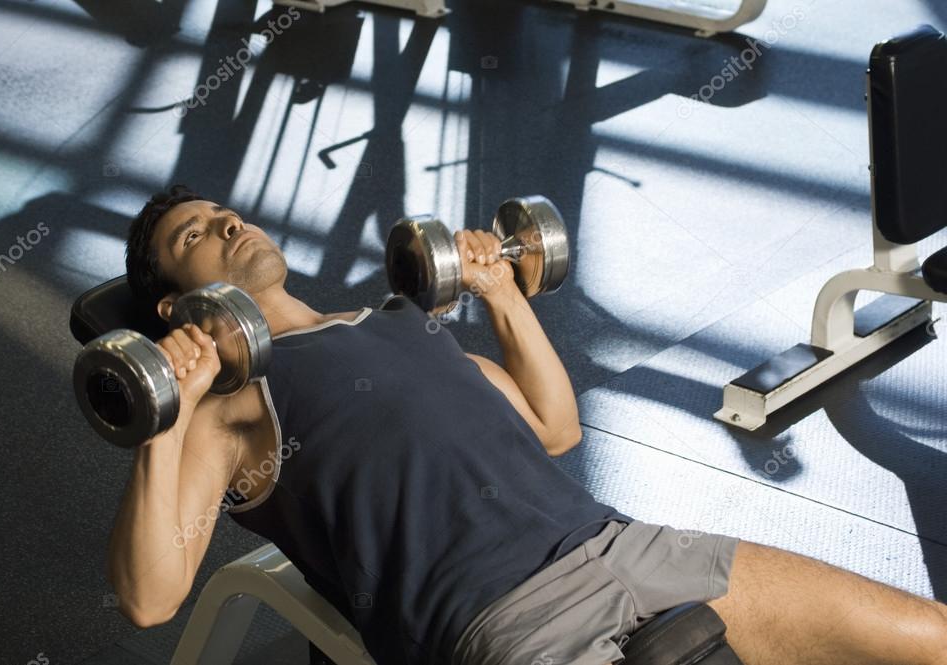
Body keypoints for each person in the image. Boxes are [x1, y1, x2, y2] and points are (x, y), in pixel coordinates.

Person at [106, 185, 947, 665]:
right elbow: (151, 597)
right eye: (194, 234)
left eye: (227, 214)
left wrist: (501, 292)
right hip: (508, 620)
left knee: (929, 637)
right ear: (174, 306)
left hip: (628, 545)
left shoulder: (397, 319)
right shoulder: (229, 410)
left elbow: (553, 425)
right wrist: (165, 415)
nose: (229, 223)